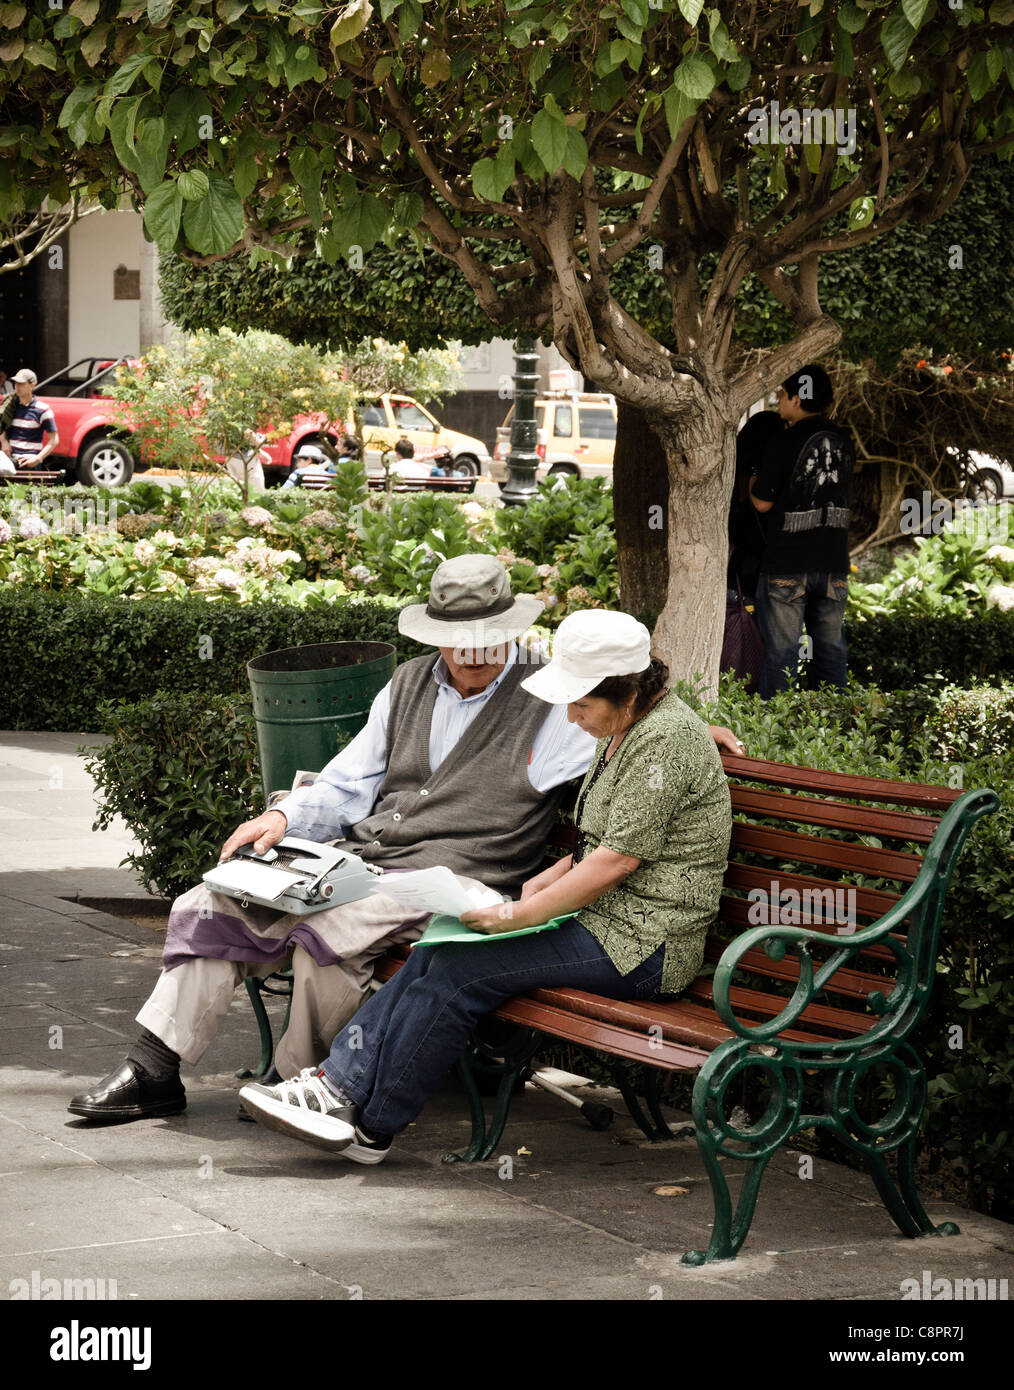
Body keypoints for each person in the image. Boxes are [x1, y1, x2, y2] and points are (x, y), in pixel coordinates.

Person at [68, 554, 744, 1125]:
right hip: (366, 861)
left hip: (461, 879)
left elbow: (630, 710)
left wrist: (697, 730)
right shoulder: (406, 686)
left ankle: (302, 1082)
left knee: (331, 925)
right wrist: (284, 818)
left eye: (489, 635)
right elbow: (348, 782)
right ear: (435, 635)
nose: (474, 651)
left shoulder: (552, 697)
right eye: (459, 636)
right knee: (213, 900)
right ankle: (153, 1069)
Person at [237, 609, 734, 1164]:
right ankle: (337, 1091)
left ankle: (368, 1125)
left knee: (459, 970)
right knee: (441, 945)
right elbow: (590, 849)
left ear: (624, 690)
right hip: (600, 922)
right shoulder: (623, 725)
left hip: (644, 945)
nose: (569, 718)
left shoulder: (663, 740)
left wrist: (517, 916)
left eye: (580, 704)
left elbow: (614, 862)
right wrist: (520, 897)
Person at [749, 364, 855, 699]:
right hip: (834, 563)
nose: (779, 399)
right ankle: (836, 729)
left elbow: (762, 503)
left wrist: (753, 477)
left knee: (783, 654)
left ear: (797, 398)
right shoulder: (844, 440)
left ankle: (777, 735)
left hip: (788, 564)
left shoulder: (784, 440)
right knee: (831, 651)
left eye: (781, 393)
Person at [0, 368, 60, 471]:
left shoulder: (43, 409)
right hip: (9, 461)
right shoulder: (10, 406)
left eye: (21, 383)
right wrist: (4, 441)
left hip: (30, 463)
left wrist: (38, 458)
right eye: (15, 383)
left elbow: (54, 440)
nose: (17, 386)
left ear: (32, 385)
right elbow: (2, 425)